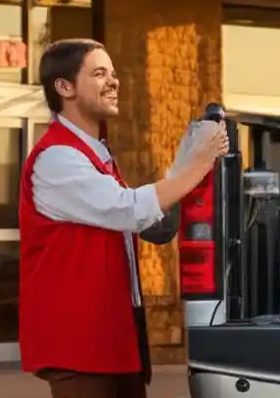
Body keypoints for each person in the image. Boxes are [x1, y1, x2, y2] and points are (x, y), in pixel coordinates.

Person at [19, 38, 229, 398]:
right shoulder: (56, 158)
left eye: (113, 73)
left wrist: (188, 161)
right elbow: (130, 209)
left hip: (114, 336)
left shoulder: (94, 155)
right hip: (79, 344)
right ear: (65, 87)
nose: (113, 82)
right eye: (99, 73)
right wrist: (198, 163)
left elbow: (149, 221)